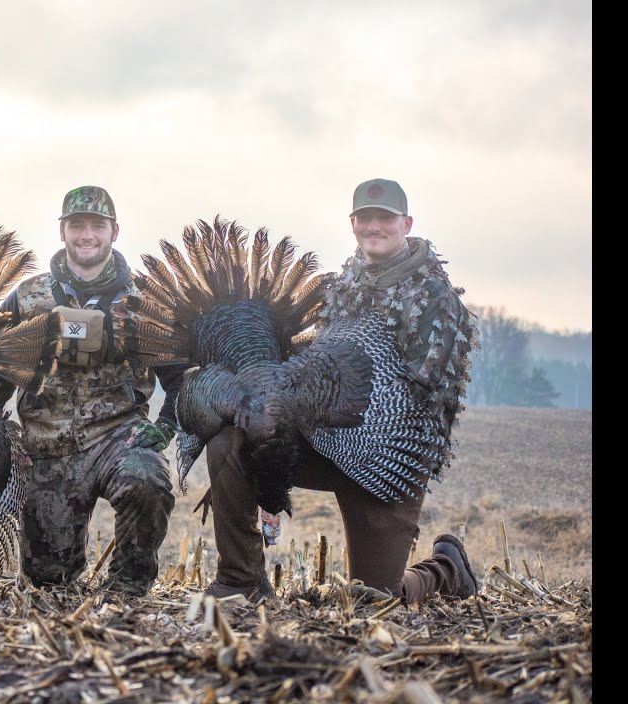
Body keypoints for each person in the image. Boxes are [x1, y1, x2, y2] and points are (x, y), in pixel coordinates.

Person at [204, 177, 481, 604]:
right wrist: (269, 452)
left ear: (406, 223)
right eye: (366, 218)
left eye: (385, 219)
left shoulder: (434, 297)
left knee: (373, 600)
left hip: (389, 459)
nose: (375, 227)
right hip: (328, 438)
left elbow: (419, 400)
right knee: (235, 437)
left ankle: (445, 572)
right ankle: (239, 582)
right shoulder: (341, 289)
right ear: (353, 223)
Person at [0, 185, 181, 598]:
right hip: (48, 443)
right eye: (77, 225)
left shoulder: (145, 300)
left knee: (146, 480)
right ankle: (56, 573)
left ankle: (127, 589)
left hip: (117, 433)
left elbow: (180, 376)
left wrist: (164, 427)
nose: (87, 235)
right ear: (62, 232)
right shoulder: (27, 297)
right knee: (47, 579)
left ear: (115, 230)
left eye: (98, 225)